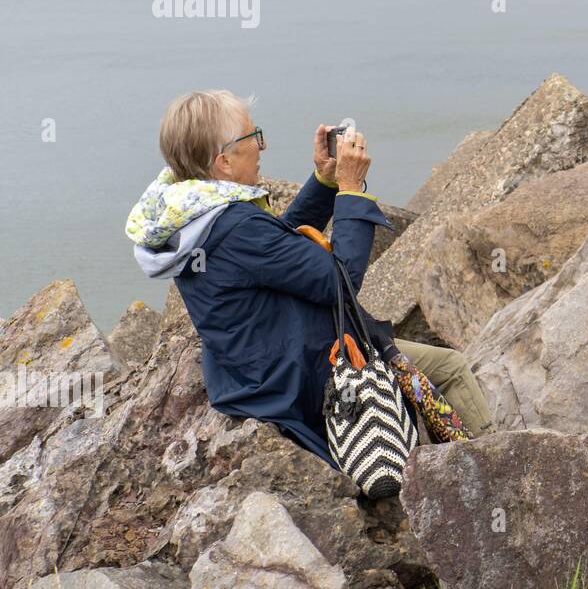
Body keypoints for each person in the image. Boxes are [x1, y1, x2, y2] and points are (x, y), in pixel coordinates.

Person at [124, 89, 494, 470]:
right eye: (253, 138)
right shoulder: (236, 226)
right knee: (449, 370)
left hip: (253, 375)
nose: (261, 147)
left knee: (426, 366)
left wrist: (325, 180)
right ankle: (496, 469)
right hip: (300, 376)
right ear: (223, 161)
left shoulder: (193, 215)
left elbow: (276, 248)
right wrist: (352, 191)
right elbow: (342, 280)